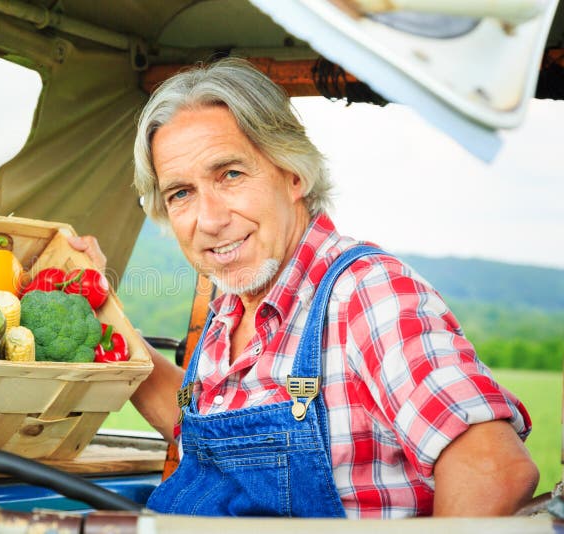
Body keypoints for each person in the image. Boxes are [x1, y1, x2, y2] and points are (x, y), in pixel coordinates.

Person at [70, 58, 538, 518]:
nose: (209, 220)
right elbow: (200, 435)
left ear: (293, 173)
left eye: (230, 175)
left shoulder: (366, 293)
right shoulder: (230, 308)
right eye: (181, 193)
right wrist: (99, 311)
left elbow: (492, 471)